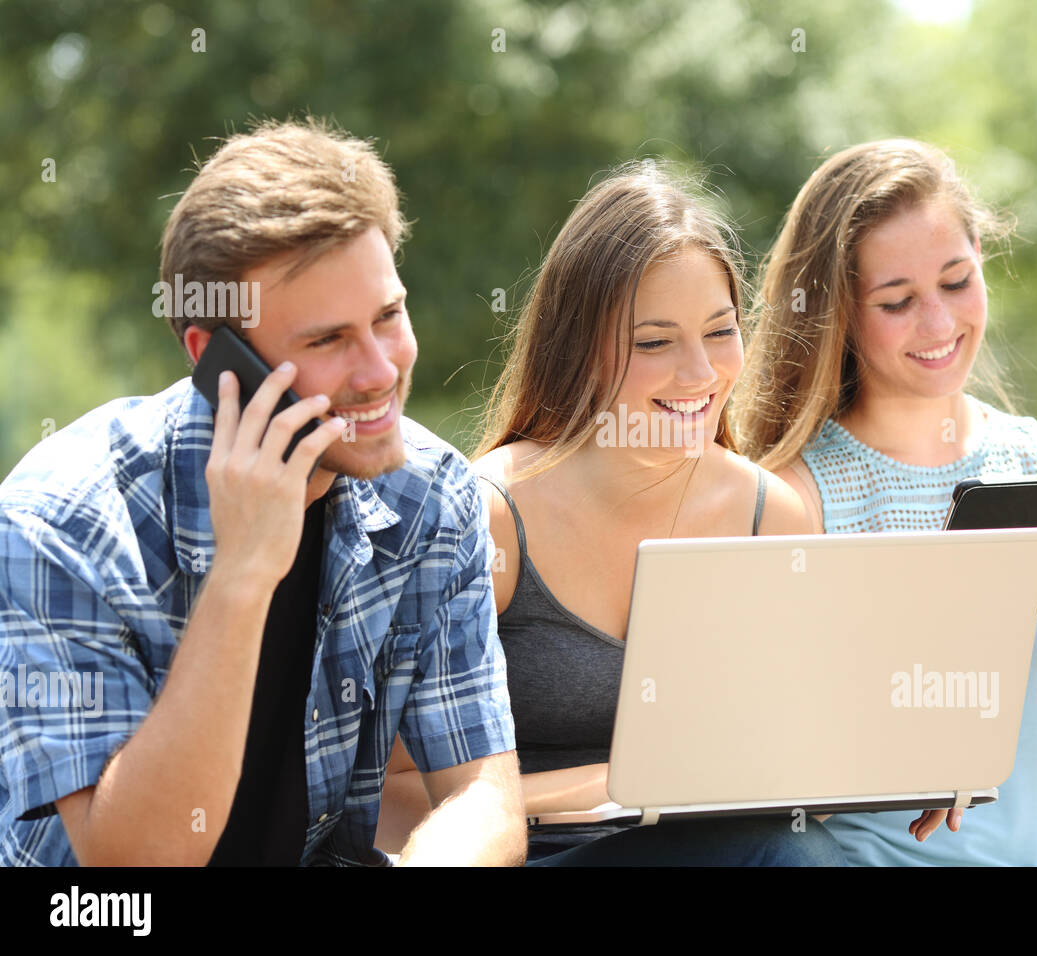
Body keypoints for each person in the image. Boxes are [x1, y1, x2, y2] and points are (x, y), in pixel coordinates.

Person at [0, 118, 525, 866]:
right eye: (327, 341)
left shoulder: (430, 495)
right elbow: (136, 867)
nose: (379, 371)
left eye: (388, 317)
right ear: (218, 361)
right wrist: (243, 574)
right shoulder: (61, 524)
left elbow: (484, 796)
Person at [733, 139, 1037, 865]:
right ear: (838, 313)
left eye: (956, 281)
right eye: (896, 301)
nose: (939, 324)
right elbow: (770, 781)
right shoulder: (791, 497)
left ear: (981, 255)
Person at [380, 162, 845, 866]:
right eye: (654, 342)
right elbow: (389, 792)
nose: (700, 374)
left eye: (721, 332)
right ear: (578, 349)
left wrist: (897, 767)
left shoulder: (770, 516)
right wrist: (600, 787)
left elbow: (787, 757)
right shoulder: (491, 514)